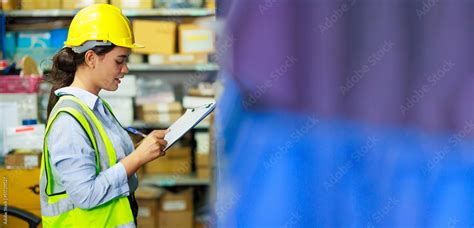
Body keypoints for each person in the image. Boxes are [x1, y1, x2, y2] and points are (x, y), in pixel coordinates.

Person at [39, 4, 168, 227]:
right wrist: (138, 157)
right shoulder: (69, 120)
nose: (125, 69)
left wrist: (146, 148)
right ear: (91, 58)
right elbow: (86, 195)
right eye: (120, 60)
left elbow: (108, 164)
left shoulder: (94, 107)